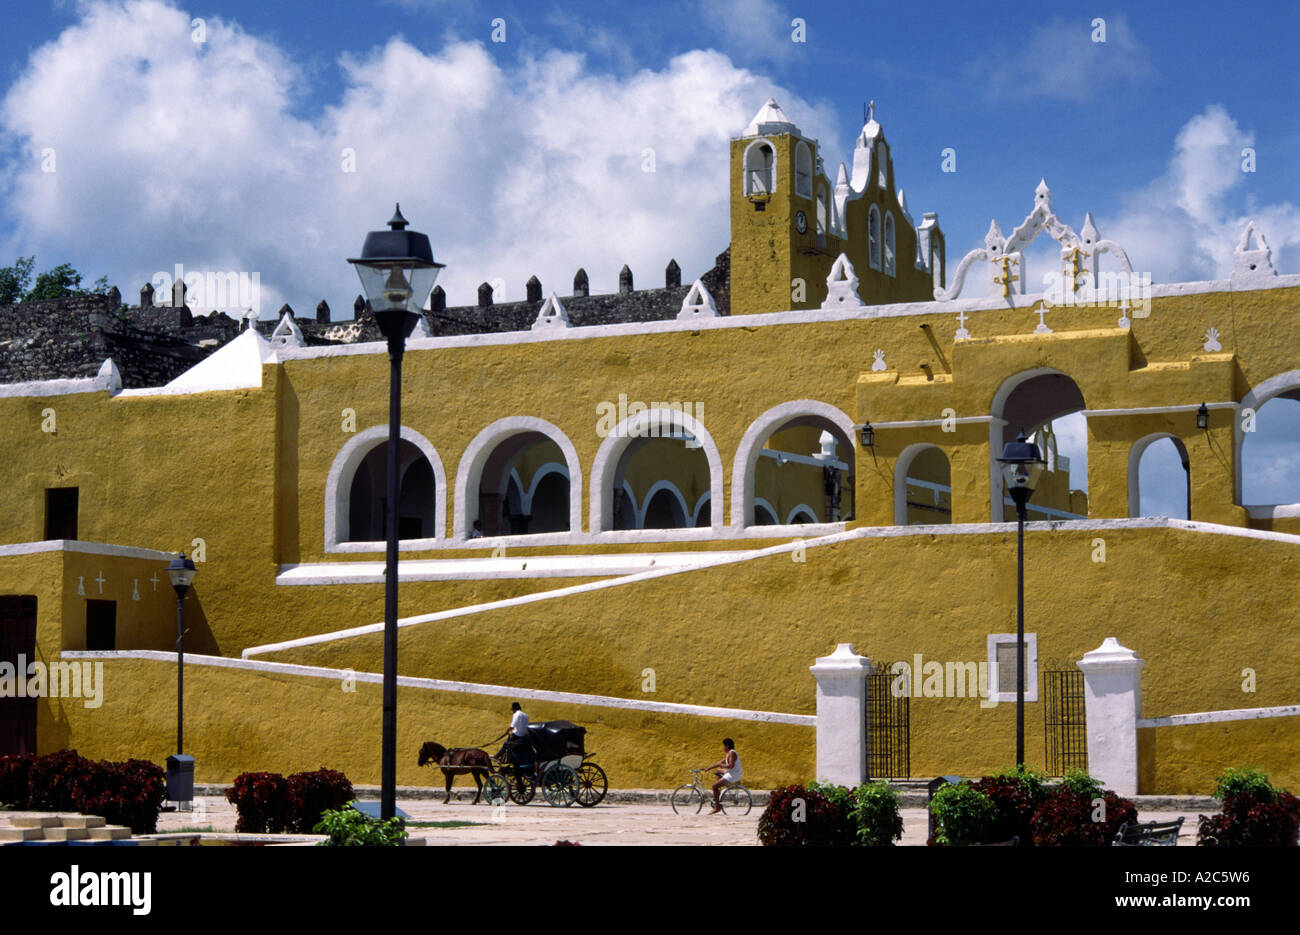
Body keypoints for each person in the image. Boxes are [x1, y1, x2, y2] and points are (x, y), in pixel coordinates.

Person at [704, 738, 741, 814]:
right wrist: (707, 768)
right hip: (731, 772)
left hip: (733, 774)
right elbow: (718, 763)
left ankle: (717, 807)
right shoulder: (729, 754)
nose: (723, 747)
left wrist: (722, 765)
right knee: (718, 771)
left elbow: (731, 765)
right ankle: (718, 792)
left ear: (727, 746)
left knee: (714, 786)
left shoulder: (732, 753)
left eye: (723, 746)